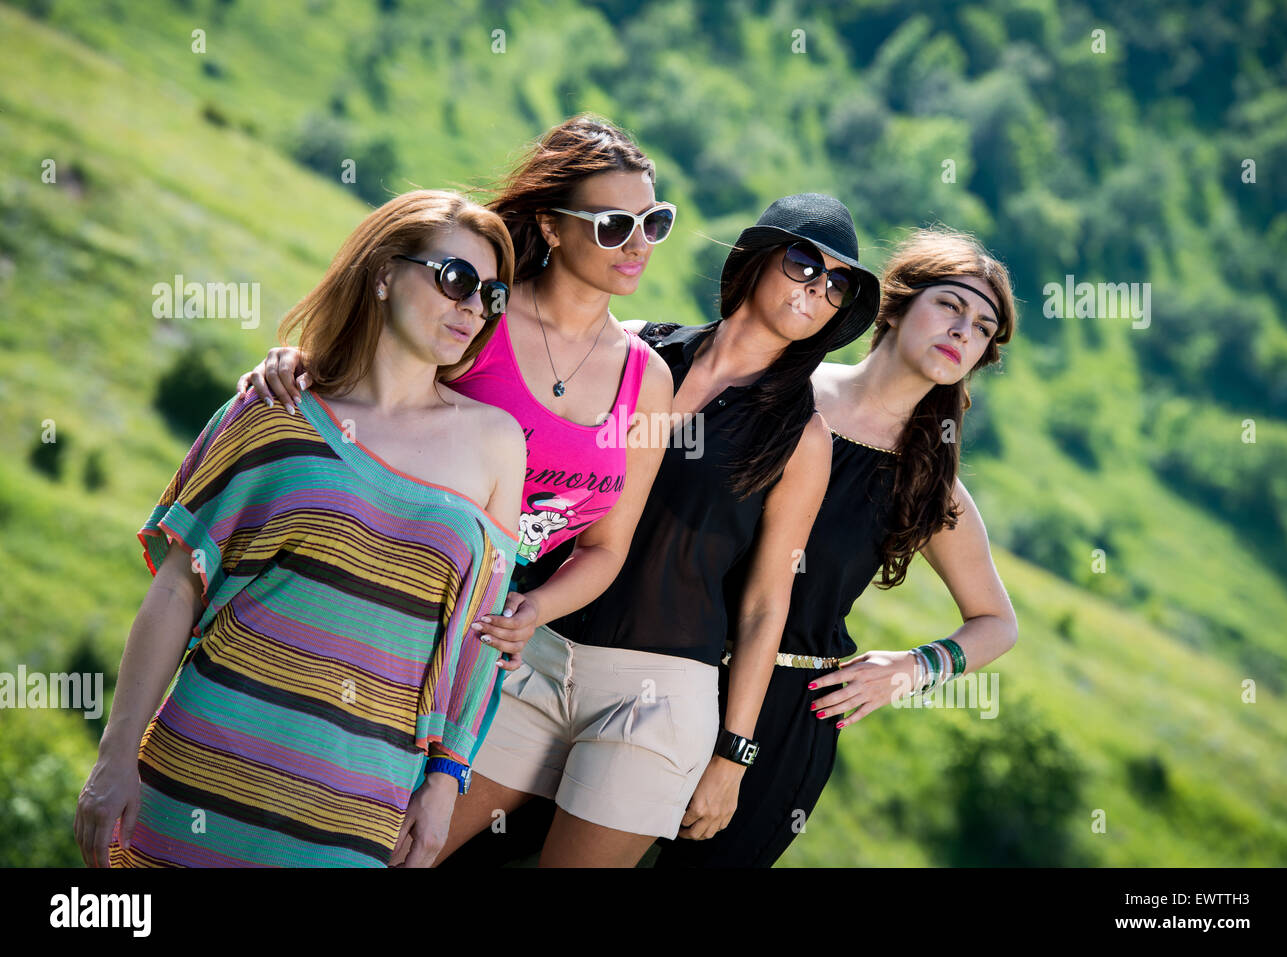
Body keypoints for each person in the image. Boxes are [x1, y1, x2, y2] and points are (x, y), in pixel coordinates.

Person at [74, 190, 525, 867]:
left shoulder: (496, 446)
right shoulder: (273, 407)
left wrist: (445, 781)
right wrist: (114, 757)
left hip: (358, 811)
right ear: (381, 273)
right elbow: (176, 590)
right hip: (197, 775)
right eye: (456, 279)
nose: (471, 306)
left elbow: (477, 640)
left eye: (490, 294)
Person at [435, 193, 881, 867]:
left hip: (661, 694)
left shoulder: (802, 436)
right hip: (536, 650)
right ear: (757, 260)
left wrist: (733, 755)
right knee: (413, 839)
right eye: (802, 261)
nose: (817, 286)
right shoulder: (639, 348)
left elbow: (767, 604)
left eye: (837, 283)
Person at [237, 114, 676, 678]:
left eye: (653, 222)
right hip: (374, 580)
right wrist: (302, 365)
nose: (638, 244)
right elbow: (384, 386)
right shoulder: (481, 313)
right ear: (550, 226)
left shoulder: (649, 381)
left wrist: (532, 610)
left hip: (479, 637)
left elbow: (605, 548)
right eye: (614, 225)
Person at [650, 226, 1020, 868]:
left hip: (786, 720)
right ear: (897, 304)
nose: (965, 331)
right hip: (659, 658)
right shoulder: (780, 386)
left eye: (984, 327)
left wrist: (914, 667)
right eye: (951, 306)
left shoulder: (928, 476)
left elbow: (998, 622)